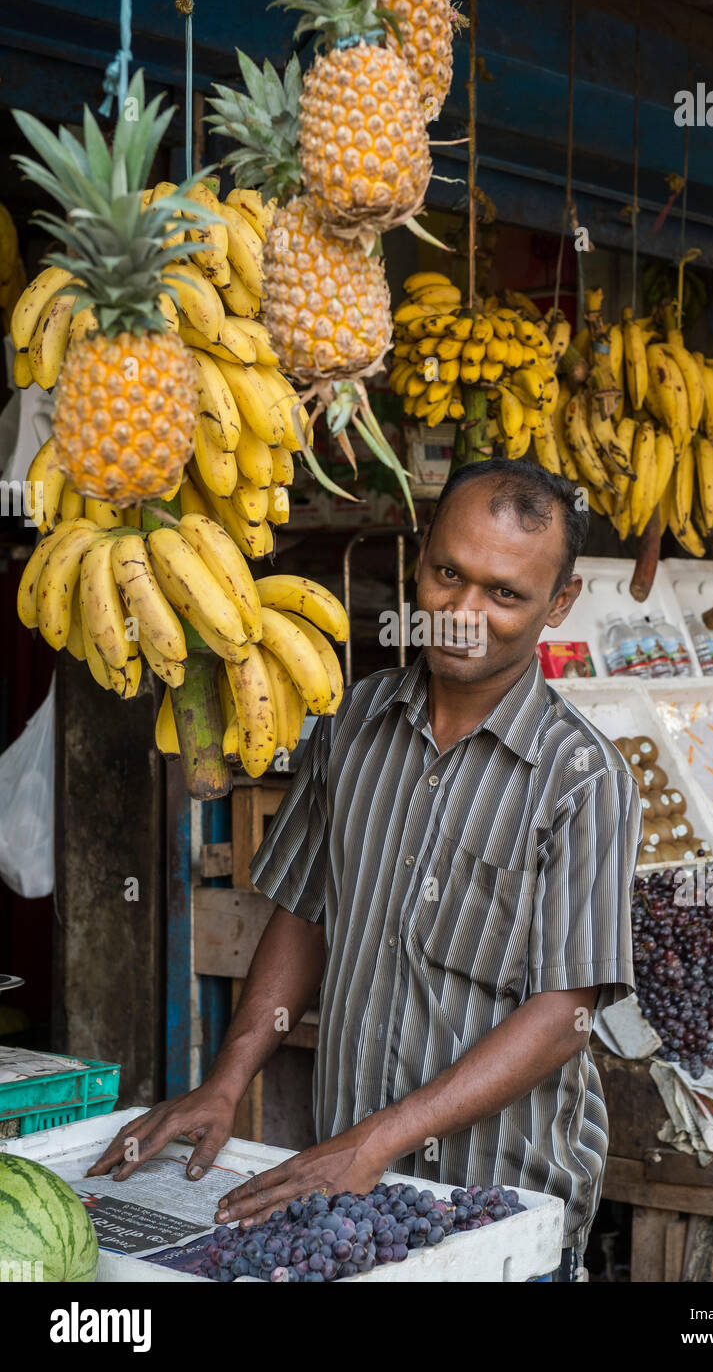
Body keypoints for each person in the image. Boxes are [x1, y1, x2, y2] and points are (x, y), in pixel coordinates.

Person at [89, 458, 642, 1281]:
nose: (463, 613)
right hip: (350, 1201)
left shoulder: (582, 778)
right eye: (447, 575)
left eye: (505, 594)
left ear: (557, 605)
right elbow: (306, 911)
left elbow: (564, 1012)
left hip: (495, 1210)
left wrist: (376, 1139)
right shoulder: (353, 723)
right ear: (419, 559)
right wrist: (227, 1078)